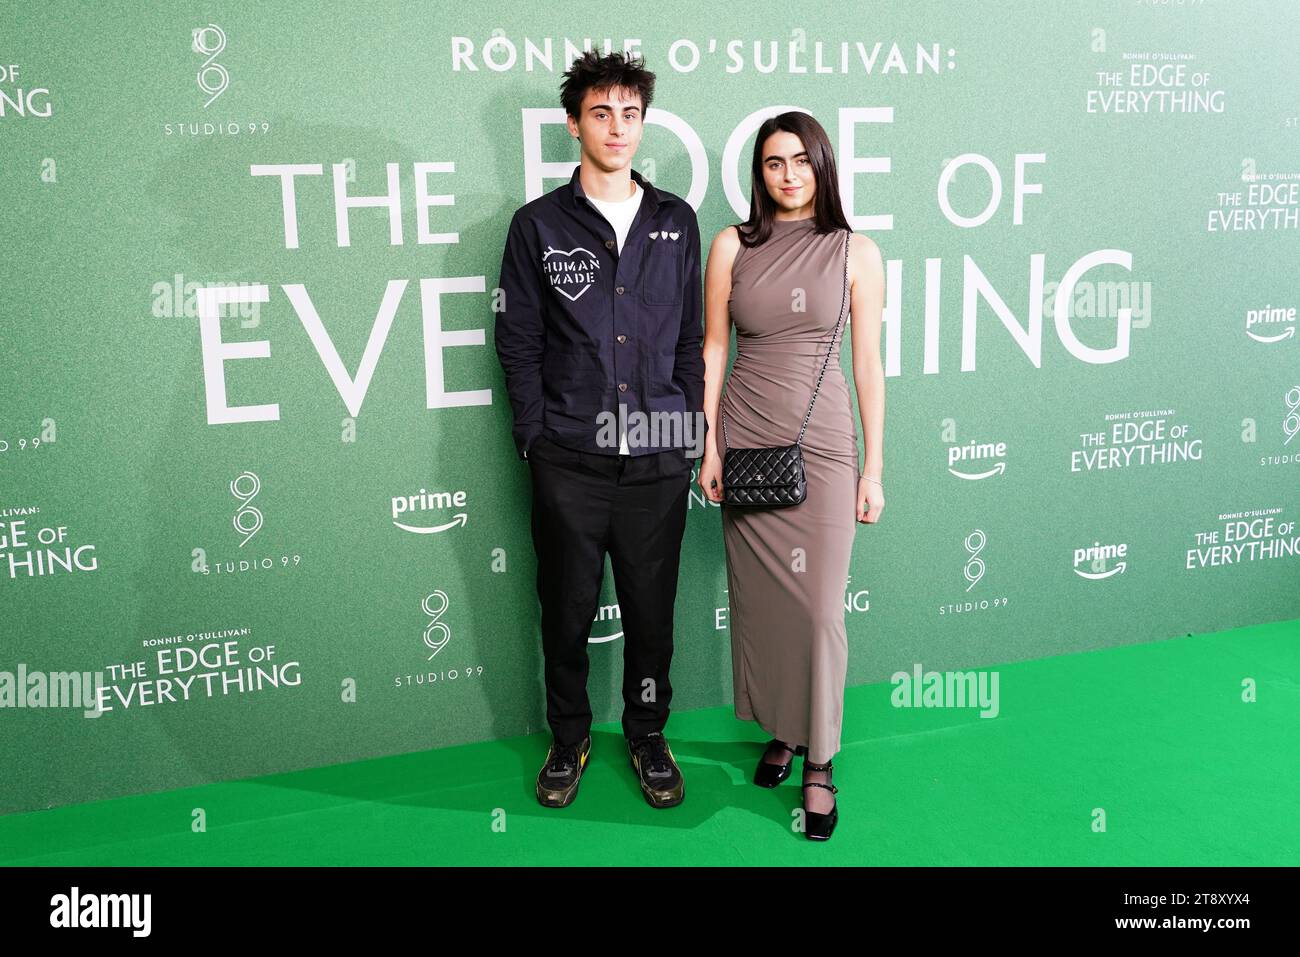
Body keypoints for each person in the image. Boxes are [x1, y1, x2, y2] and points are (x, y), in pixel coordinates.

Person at [494, 50, 706, 810]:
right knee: (567, 611)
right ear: (574, 123)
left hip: (656, 462)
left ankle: (648, 734)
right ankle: (570, 735)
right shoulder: (537, 226)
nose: (617, 129)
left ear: (643, 122)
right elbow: (517, 340)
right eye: (601, 114)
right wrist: (535, 438)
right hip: (570, 462)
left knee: (652, 616)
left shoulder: (676, 221)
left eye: (630, 114)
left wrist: (687, 431)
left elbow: (688, 340)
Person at [698, 112, 886, 840]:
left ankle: (819, 762)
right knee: (767, 608)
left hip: (825, 445)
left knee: (817, 611)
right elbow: (714, 349)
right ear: (759, 173)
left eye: (801, 161)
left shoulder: (855, 252)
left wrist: (876, 465)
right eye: (774, 162)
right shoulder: (730, 247)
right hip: (747, 441)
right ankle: (782, 728)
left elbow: (866, 363)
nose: (787, 174)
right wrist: (707, 445)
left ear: (823, 167)